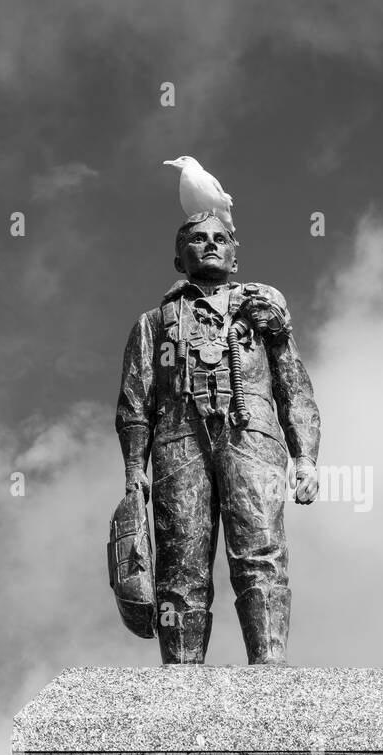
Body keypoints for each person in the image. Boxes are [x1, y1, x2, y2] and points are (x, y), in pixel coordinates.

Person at [115, 212, 320, 663]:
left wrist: (306, 457)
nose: (210, 244)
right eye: (197, 238)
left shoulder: (266, 315)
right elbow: (135, 404)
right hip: (179, 441)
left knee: (260, 549)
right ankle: (182, 676)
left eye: (220, 238)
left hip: (252, 437)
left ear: (234, 254)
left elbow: (294, 387)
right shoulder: (152, 324)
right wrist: (134, 469)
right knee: (180, 562)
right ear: (177, 258)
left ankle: (270, 667)